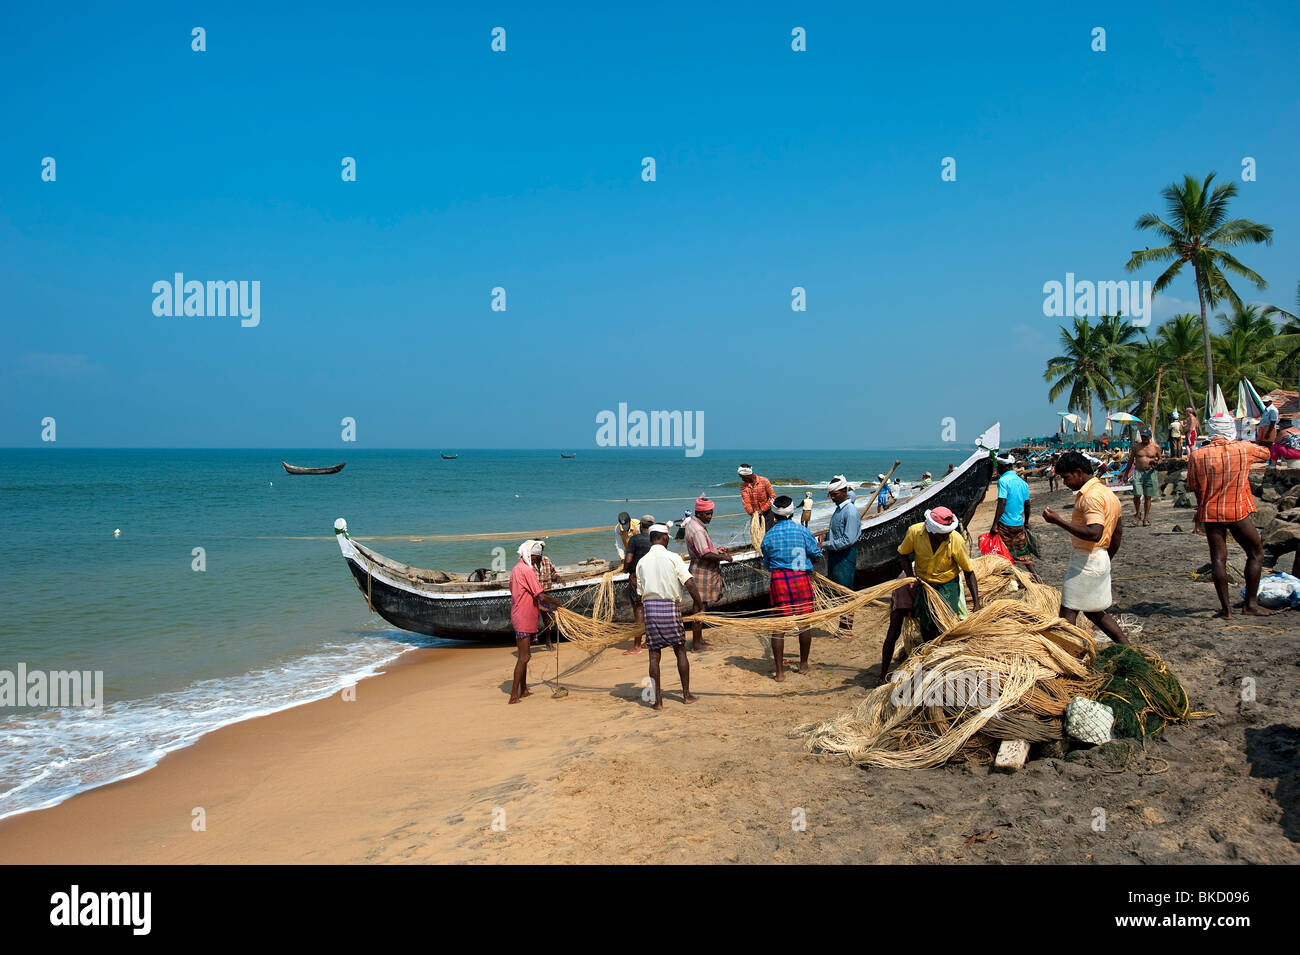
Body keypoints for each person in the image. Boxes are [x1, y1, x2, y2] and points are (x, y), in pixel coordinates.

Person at [1186, 414, 1275, 618]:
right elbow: (1266, 453)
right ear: (1230, 429)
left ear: (1211, 430)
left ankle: (1226, 610)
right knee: (1256, 553)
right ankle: (1250, 604)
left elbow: (1194, 486)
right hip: (1236, 510)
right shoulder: (1243, 448)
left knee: (1218, 558)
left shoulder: (1197, 456)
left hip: (1210, 512)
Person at [881, 507, 980, 683]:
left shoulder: (955, 540)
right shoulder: (915, 532)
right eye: (943, 534)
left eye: (949, 532)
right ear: (932, 531)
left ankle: (943, 665)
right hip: (924, 584)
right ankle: (930, 663)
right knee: (927, 625)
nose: (947, 536)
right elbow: (902, 554)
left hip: (947, 585)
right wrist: (911, 576)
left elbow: (968, 571)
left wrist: (977, 603)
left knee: (943, 624)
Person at [1040, 452, 1129, 644]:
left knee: (1068, 610)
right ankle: (1128, 646)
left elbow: (1095, 532)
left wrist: (1058, 521)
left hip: (1087, 559)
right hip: (1099, 557)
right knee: (1093, 612)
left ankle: (1066, 656)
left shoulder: (1091, 497)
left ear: (1079, 472)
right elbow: (1117, 533)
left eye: (1066, 477)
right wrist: (1105, 558)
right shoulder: (1107, 493)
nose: (1065, 482)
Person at [635, 525, 702, 709]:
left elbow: (640, 592)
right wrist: (700, 606)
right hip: (670, 607)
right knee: (680, 650)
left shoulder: (642, 562)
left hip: (650, 609)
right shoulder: (673, 558)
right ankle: (686, 695)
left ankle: (658, 701)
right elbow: (689, 583)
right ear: (664, 538)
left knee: (654, 656)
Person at [760, 496, 823, 681]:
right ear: (792, 512)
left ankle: (779, 673)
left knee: (779, 626)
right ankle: (803, 664)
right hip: (800, 578)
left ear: (774, 513)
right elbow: (817, 555)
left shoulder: (769, 535)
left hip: (779, 580)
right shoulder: (802, 531)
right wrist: (816, 548)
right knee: (804, 623)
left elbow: (767, 563)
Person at [509, 540, 558, 703]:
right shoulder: (526, 571)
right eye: (536, 559)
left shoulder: (516, 569)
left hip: (520, 615)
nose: (537, 562)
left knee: (526, 656)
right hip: (523, 618)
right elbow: (540, 595)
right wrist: (557, 602)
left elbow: (526, 596)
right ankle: (513, 695)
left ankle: (524, 691)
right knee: (523, 657)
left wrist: (546, 609)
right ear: (530, 556)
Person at [680, 496, 731, 651]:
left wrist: (717, 551)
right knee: (699, 607)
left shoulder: (693, 523)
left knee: (701, 606)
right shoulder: (698, 530)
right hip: (701, 570)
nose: (710, 516)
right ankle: (696, 644)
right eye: (707, 514)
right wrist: (724, 557)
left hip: (700, 568)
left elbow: (705, 551)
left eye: (711, 513)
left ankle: (699, 640)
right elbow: (704, 555)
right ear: (699, 513)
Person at [816, 476, 862, 635]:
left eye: (834, 494)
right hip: (836, 555)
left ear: (844, 492)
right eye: (831, 495)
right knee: (839, 592)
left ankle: (846, 629)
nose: (832, 498)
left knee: (846, 592)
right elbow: (837, 533)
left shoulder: (850, 511)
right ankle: (842, 628)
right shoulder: (839, 509)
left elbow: (848, 539)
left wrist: (826, 544)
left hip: (845, 556)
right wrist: (826, 536)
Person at [991, 453, 1034, 574]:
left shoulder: (1003, 481)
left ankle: (1006, 579)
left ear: (1003, 466)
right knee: (1023, 553)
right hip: (1018, 523)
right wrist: (1026, 522)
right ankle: (1037, 579)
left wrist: (995, 524)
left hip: (1005, 524)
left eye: (998, 466)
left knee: (1003, 553)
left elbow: (1002, 503)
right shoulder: (1022, 483)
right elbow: (1027, 505)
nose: (998, 469)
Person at [620, 514, 656, 654]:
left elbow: (628, 559)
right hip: (653, 579)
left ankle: (636, 646)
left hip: (637, 579)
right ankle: (649, 641)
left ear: (640, 525)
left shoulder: (635, 539)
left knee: (639, 611)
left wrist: (625, 569)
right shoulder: (655, 540)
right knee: (650, 610)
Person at [1127, 429, 1163, 526]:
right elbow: (1130, 460)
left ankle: (1146, 518)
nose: (1144, 439)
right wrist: (1126, 474)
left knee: (1148, 496)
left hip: (1150, 472)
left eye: (1146, 437)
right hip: (1138, 472)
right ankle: (1138, 514)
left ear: (1150, 437)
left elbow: (1160, 459)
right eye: (1142, 437)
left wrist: (1156, 463)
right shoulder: (1136, 447)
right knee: (1137, 494)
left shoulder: (1155, 447)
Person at [738, 463, 775, 547]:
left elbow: (773, 497)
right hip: (755, 514)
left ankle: (769, 550)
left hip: (768, 512)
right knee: (756, 534)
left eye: (742, 476)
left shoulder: (764, 481)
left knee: (768, 533)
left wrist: (762, 509)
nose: (741, 478)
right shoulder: (743, 486)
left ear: (748, 475)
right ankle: (760, 550)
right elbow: (746, 501)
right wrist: (752, 513)